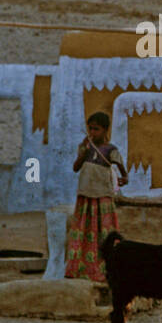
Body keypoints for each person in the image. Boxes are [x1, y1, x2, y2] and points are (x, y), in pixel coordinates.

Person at [65, 111, 128, 282]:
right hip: (85, 196)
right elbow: (75, 168)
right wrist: (83, 152)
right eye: (90, 129)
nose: (92, 133)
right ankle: (81, 267)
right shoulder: (84, 147)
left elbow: (123, 171)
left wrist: (123, 179)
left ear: (105, 130)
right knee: (84, 231)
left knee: (103, 232)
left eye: (96, 129)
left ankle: (105, 268)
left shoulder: (111, 150)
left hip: (102, 197)